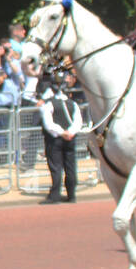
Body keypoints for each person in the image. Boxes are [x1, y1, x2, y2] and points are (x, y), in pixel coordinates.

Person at [39, 69, 82, 203]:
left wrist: (61, 133)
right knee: (70, 166)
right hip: (70, 138)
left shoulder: (49, 104)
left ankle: (55, 195)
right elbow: (78, 122)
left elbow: (48, 124)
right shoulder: (73, 104)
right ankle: (71, 195)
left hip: (55, 139)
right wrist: (70, 132)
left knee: (56, 166)